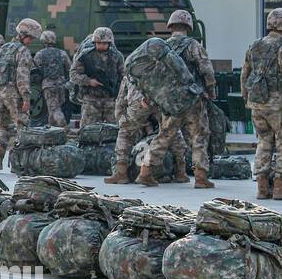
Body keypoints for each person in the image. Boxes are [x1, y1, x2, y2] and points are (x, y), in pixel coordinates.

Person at [140, 10, 217, 189]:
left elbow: (153, 76)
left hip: (169, 101)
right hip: (191, 99)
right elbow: (206, 69)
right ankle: (200, 176)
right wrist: (211, 89)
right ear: (188, 26)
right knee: (199, 135)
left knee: (164, 135)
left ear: (171, 26)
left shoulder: (162, 47)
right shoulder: (193, 45)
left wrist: (151, 98)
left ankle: (145, 171)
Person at [242, 8, 282, 200]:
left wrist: (247, 98)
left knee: (263, 142)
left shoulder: (254, 46)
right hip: (279, 105)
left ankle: (262, 187)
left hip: (257, 103)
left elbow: (245, 75)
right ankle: (280, 187)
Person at [105, 75, 183, 184]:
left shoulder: (131, 70)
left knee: (126, 132)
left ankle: (121, 173)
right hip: (161, 99)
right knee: (171, 131)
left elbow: (121, 100)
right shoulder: (163, 64)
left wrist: (121, 120)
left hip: (138, 100)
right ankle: (181, 171)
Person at [0, 19, 40, 168]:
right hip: (13, 95)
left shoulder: (2, 49)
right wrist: (26, 98)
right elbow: (22, 76)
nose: (31, 41)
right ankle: (20, 161)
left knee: (3, 126)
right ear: (24, 35)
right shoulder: (22, 51)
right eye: (31, 38)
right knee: (22, 125)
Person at [70, 27, 124, 127]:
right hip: (91, 100)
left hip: (110, 100)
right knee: (87, 132)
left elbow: (123, 76)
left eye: (104, 43)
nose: (101, 46)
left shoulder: (117, 56)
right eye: (98, 43)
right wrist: (89, 81)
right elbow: (73, 75)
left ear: (110, 43)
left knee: (114, 131)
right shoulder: (85, 55)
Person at [33, 30, 72, 128]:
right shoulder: (62, 53)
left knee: (54, 108)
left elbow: (34, 70)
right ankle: (52, 129)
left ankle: (64, 127)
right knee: (54, 107)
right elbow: (70, 68)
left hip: (48, 85)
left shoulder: (40, 54)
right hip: (61, 85)